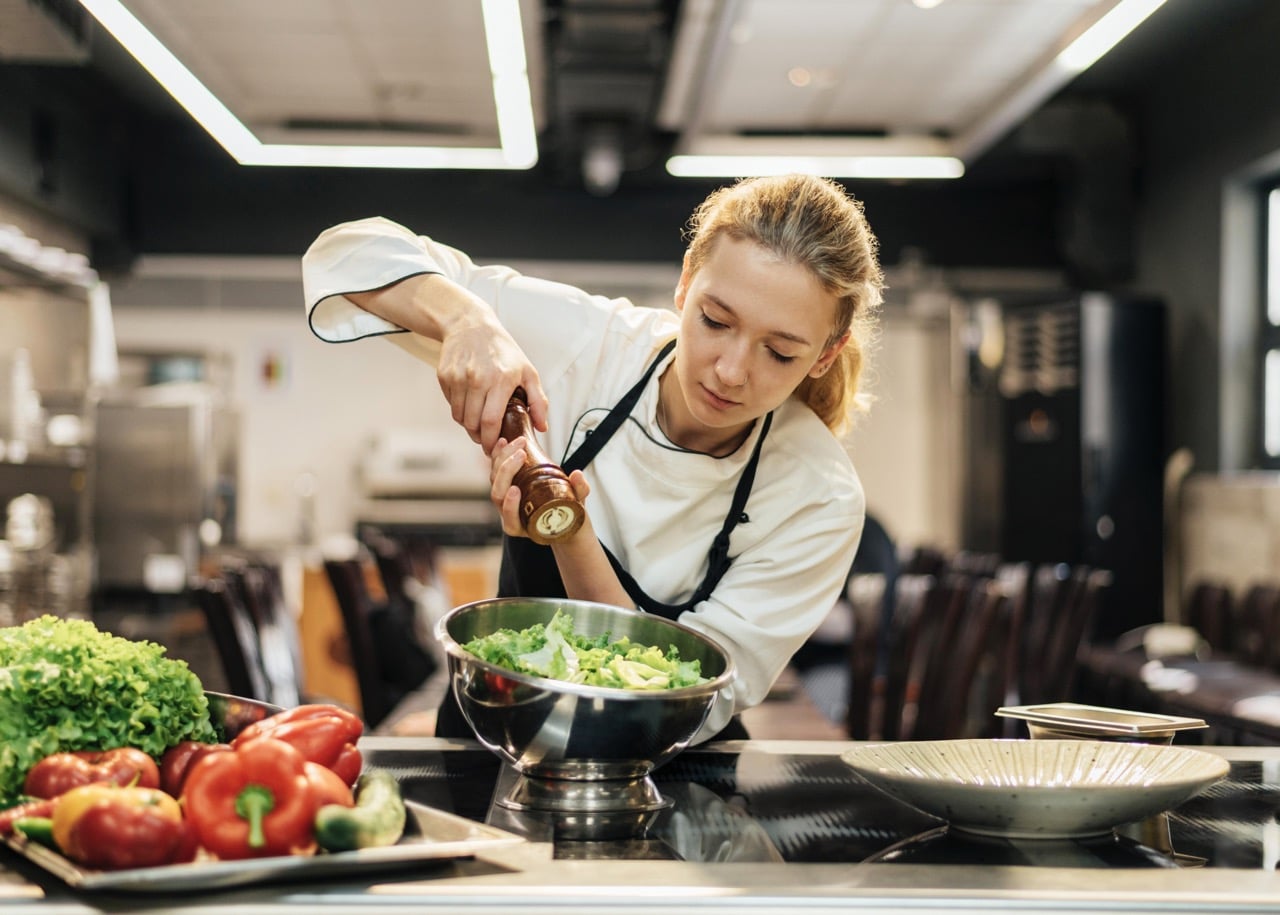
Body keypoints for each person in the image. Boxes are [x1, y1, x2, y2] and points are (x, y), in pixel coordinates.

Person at [301, 174, 884, 741]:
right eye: (714, 320)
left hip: (666, 773)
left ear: (825, 355)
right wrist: (467, 320)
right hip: (502, 735)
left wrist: (565, 530)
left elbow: (693, 697)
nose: (731, 370)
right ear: (684, 285)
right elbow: (346, 251)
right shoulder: (590, 345)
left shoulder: (818, 495)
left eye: (779, 353)